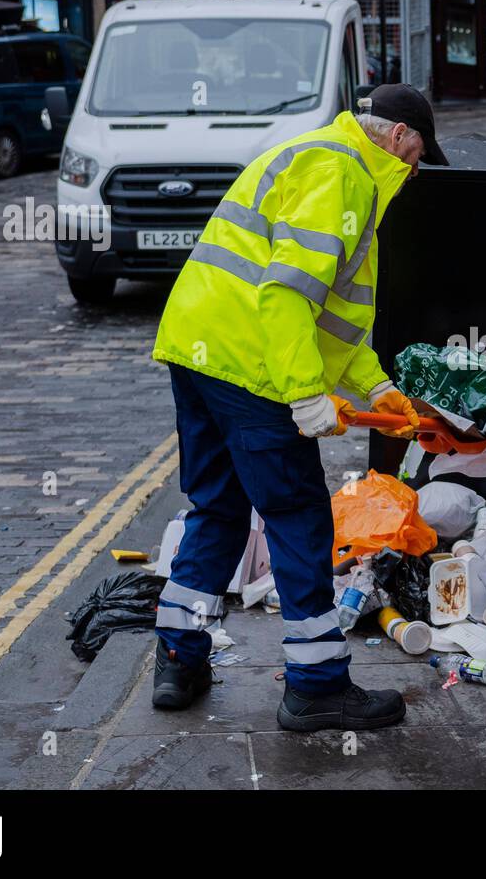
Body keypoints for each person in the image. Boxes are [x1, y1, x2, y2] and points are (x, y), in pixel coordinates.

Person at [149, 84, 448, 732]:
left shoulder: (314, 155)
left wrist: (375, 390)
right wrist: (306, 395)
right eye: (419, 155)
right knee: (298, 516)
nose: (417, 171)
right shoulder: (343, 174)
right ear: (398, 137)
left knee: (220, 510)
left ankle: (178, 656)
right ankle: (315, 686)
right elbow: (286, 295)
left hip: (199, 350)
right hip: (253, 368)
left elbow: (330, 318)